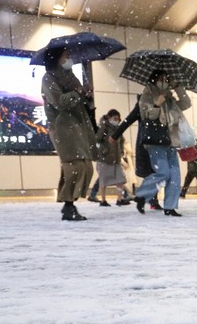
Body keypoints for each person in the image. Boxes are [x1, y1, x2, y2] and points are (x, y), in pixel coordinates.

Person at [41, 47, 97, 221]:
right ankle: (68, 205)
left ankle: (70, 202)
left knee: (86, 166)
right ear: (57, 59)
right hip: (62, 128)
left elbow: (78, 101)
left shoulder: (71, 77)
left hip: (78, 127)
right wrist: (77, 92)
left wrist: (86, 95)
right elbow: (59, 102)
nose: (69, 59)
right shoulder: (49, 78)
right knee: (73, 166)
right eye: (66, 56)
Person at [133, 70, 191, 217]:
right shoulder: (146, 96)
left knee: (175, 176)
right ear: (154, 80)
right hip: (155, 141)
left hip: (171, 140)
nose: (164, 81)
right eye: (162, 78)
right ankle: (141, 195)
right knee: (163, 172)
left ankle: (170, 207)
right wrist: (156, 104)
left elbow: (186, 103)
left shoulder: (170, 97)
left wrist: (177, 87)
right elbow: (146, 116)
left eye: (167, 78)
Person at [111, 96, 162, 211]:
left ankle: (146, 197)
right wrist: (115, 135)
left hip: (160, 143)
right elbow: (127, 121)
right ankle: (150, 198)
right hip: (146, 144)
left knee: (160, 172)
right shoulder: (142, 105)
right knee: (152, 173)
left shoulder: (164, 101)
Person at [95, 109, 130, 206]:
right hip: (105, 158)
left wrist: (122, 150)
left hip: (116, 158)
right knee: (103, 179)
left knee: (120, 179)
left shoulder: (119, 128)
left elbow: (121, 141)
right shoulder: (104, 127)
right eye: (115, 118)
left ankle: (120, 199)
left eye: (118, 119)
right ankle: (103, 200)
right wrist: (103, 149)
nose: (116, 120)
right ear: (109, 117)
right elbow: (97, 138)